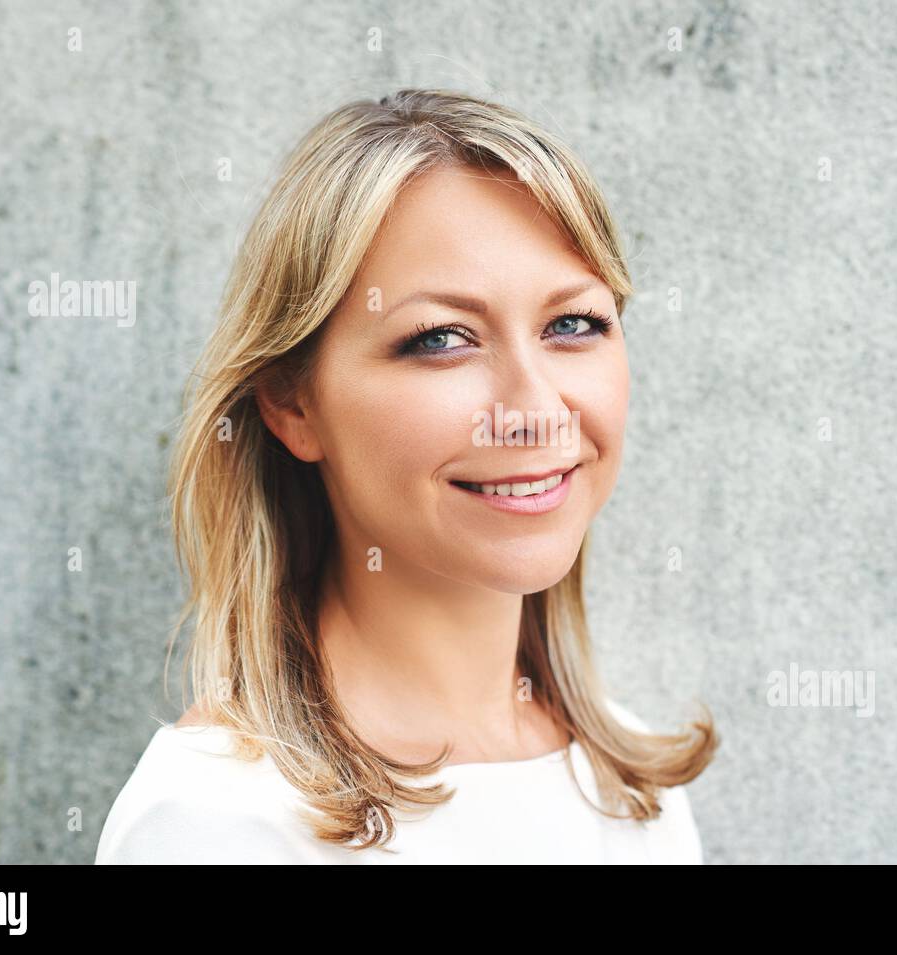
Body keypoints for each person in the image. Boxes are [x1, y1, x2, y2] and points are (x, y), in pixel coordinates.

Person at [95, 88, 718, 864]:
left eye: (572, 324)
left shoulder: (635, 790)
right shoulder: (217, 822)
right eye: (441, 339)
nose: (534, 410)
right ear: (293, 403)